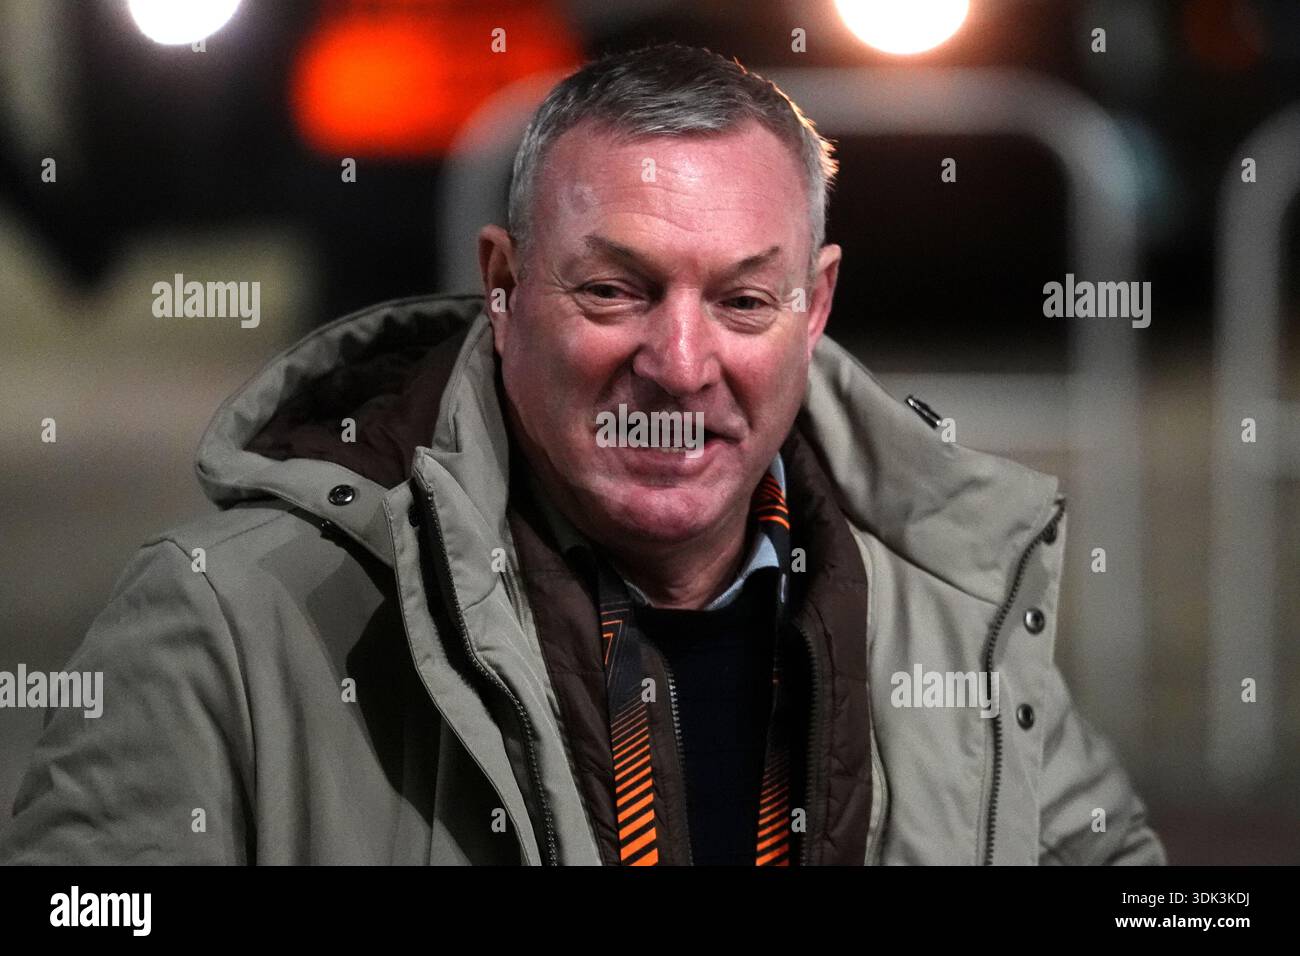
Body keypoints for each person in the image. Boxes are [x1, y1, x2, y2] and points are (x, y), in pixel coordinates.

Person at [1, 43, 1165, 865]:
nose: (677, 360)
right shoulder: (222, 628)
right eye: (614, 289)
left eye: (745, 302)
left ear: (815, 312)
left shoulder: (953, 619)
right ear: (503, 285)